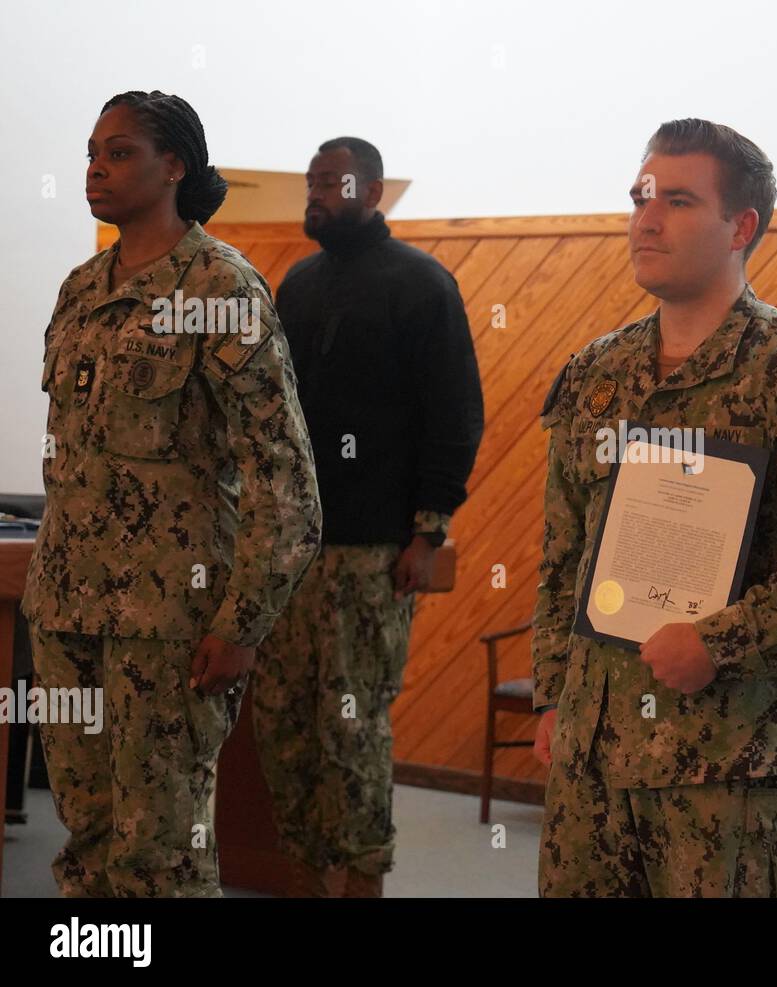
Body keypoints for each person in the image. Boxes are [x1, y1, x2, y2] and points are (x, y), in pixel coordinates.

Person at [532, 118, 777, 897]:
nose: (647, 218)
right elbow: (564, 556)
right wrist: (555, 694)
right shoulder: (598, 373)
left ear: (742, 226)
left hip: (729, 769)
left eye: (679, 201)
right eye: (640, 197)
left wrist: (719, 642)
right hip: (592, 762)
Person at [24, 90, 321, 897]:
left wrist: (242, 623)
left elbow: (284, 480)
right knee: (84, 838)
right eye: (91, 150)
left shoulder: (221, 288)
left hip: (166, 625)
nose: (96, 166)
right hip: (66, 612)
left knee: (158, 854)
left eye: (119, 151)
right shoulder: (81, 289)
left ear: (175, 165)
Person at [252, 136, 484, 897]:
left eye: (333, 182)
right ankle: (307, 880)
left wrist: (428, 530)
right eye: (311, 183)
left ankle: (361, 885)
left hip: (375, 550)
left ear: (374, 190)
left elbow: (455, 416)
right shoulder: (299, 282)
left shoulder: (422, 284)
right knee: (285, 729)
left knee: (351, 731)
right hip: (292, 553)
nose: (316, 195)